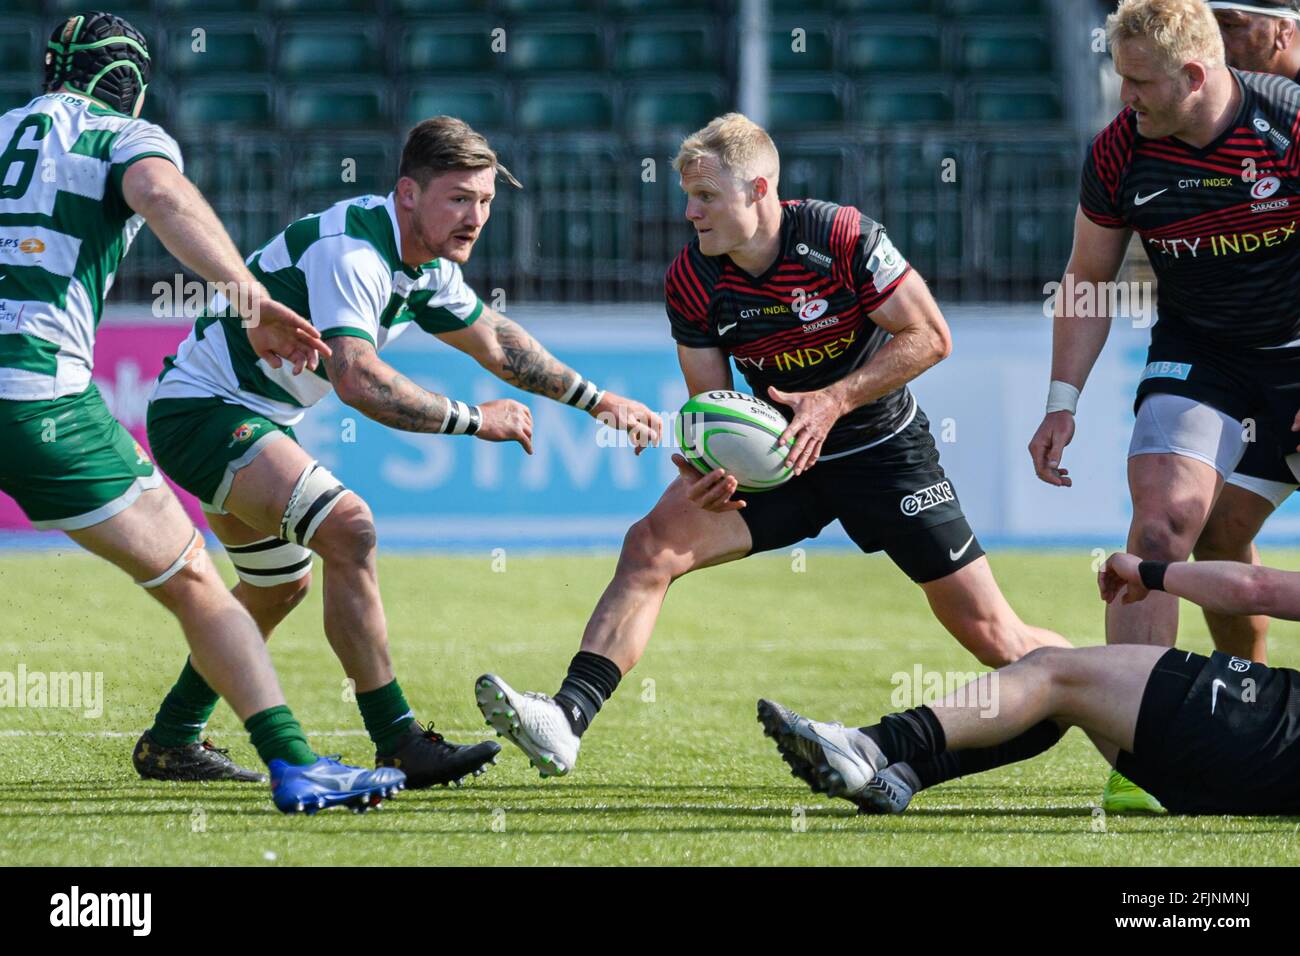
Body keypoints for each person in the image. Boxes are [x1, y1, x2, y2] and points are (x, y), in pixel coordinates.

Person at [476, 112, 1070, 780]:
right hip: (778, 460)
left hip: (883, 451)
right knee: (650, 546)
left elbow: (930, 336)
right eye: (687, 197)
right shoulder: (693, 279)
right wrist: (707, 470)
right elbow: (708, 406)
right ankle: (566, 718)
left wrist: (833, 400)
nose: (690, 213)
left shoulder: (841, 235)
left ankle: (1118, 705)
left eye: (705, 197)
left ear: (759, 191)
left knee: (994, 635)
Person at [139, 115, 662, 789]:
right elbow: (357, 380)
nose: (475, 217)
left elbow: (498, 342)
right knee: (349, 528)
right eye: (459, 199)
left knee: (279, 588)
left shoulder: (428, 267)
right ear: (408, 194)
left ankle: (171, 740)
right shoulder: (354, 252)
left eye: (485, 202)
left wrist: (599, 401)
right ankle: (399, 741)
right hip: (205, 413)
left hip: (250, 414)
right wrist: (475, 420)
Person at [0, 11, 401, 812]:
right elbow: (158, 193)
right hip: (35, 391)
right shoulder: (123, 134)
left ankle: (194, 742)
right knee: (195, 581)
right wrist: (250, 299)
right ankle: (294, 762)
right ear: (132, 82)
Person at [1027, 0, 1300, 812]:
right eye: (1119, 76)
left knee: (1225, 536)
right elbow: (1087, 277)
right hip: (1203, 356)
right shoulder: (1119, 151)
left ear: (1195, 73)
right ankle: (1146, 758)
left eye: (1140, 81)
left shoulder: (1286, 122)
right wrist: (1061, 402)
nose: (1124, 96)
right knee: (1161, 533)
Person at [759, 550, 1300, 817]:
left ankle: (868, 746)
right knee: (1065, 686)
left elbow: (1256, 587)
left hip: (1260, 731)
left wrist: (1147, 570)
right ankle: (901, 777)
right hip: (1253, 786)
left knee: (1054, 670)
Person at [1182, 0, 1300, 670]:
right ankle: (1250, 692)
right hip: (1268, 376)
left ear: (1280, 29)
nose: (1217, 40)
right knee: (1220, 531)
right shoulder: (1225, 113)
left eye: (1230, 25)